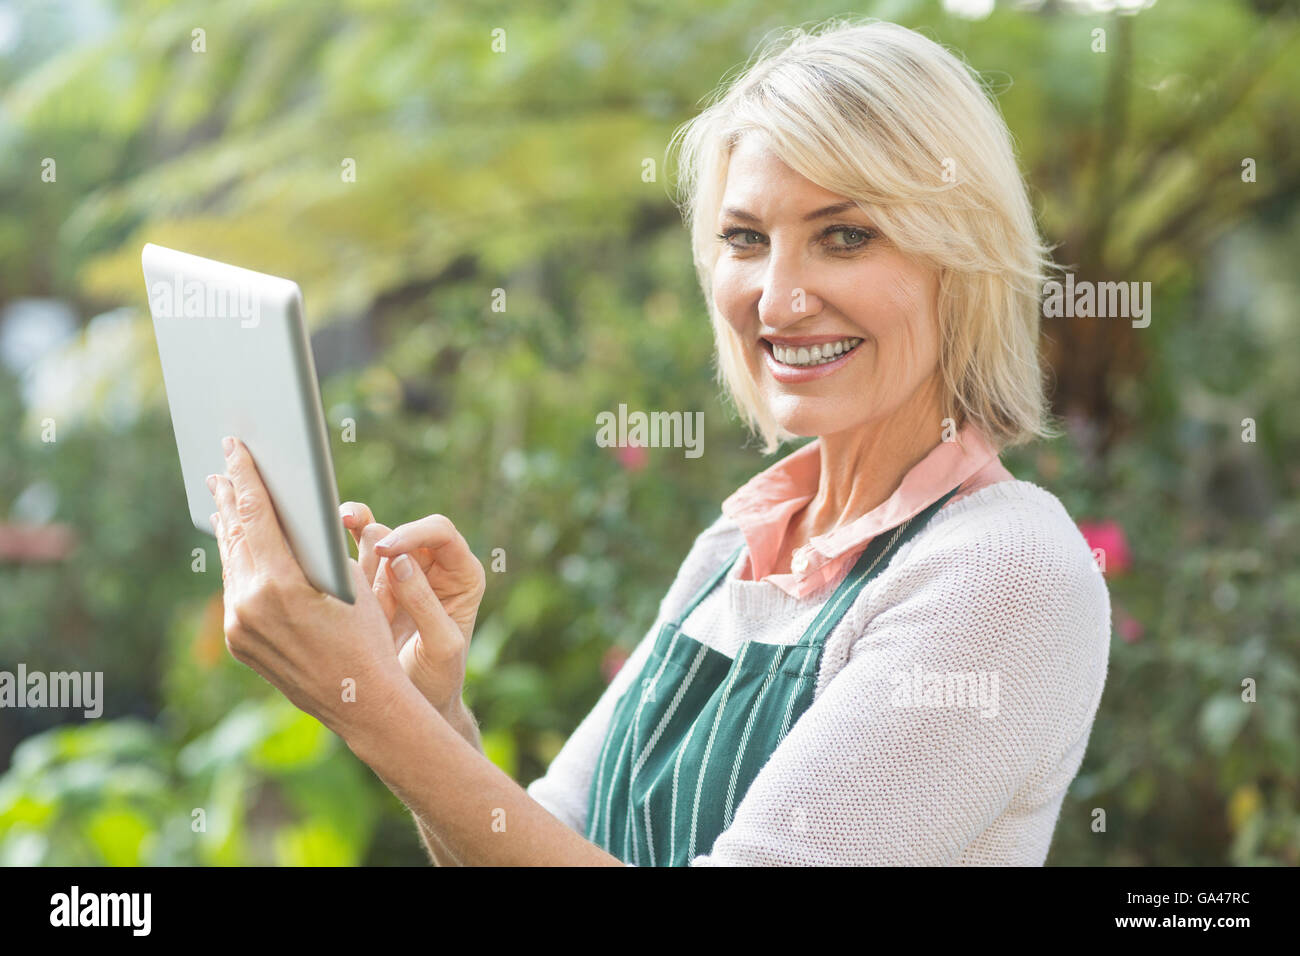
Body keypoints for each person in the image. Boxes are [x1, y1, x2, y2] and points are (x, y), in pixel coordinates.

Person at [206, 17, 1111, 866]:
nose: (779, 297)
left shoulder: (1007, 571)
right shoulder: (738, 549)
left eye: (845, 236)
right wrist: (423, 702)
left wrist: (364, 706)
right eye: (746, 239)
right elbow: (548, 836)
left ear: (961, 259)